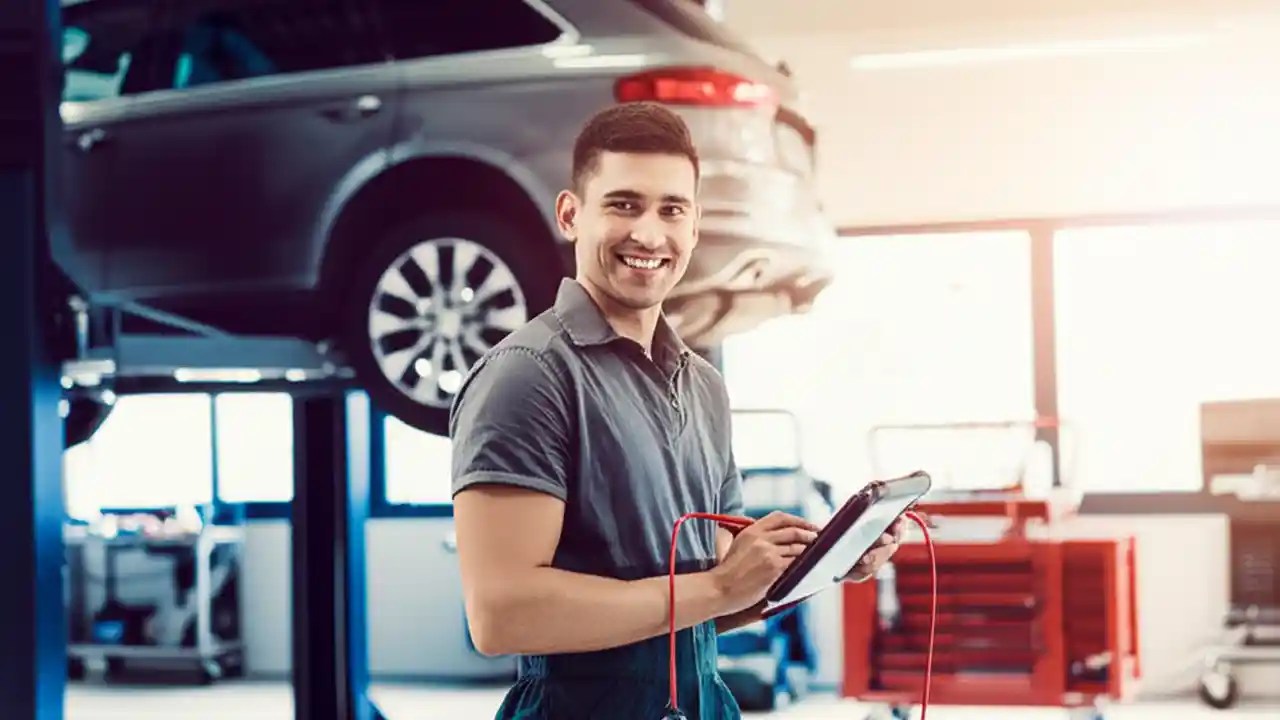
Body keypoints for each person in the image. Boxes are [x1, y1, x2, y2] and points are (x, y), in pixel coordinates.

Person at [449, 102, 903, 720]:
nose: (649, 234)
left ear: (695, 226)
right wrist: (716, 586)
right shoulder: (528, 374)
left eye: (672, 209)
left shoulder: (703, 388)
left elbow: (715, 598)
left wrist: (824, 565)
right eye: (623, 204)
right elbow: (501, 615)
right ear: (570, 215)